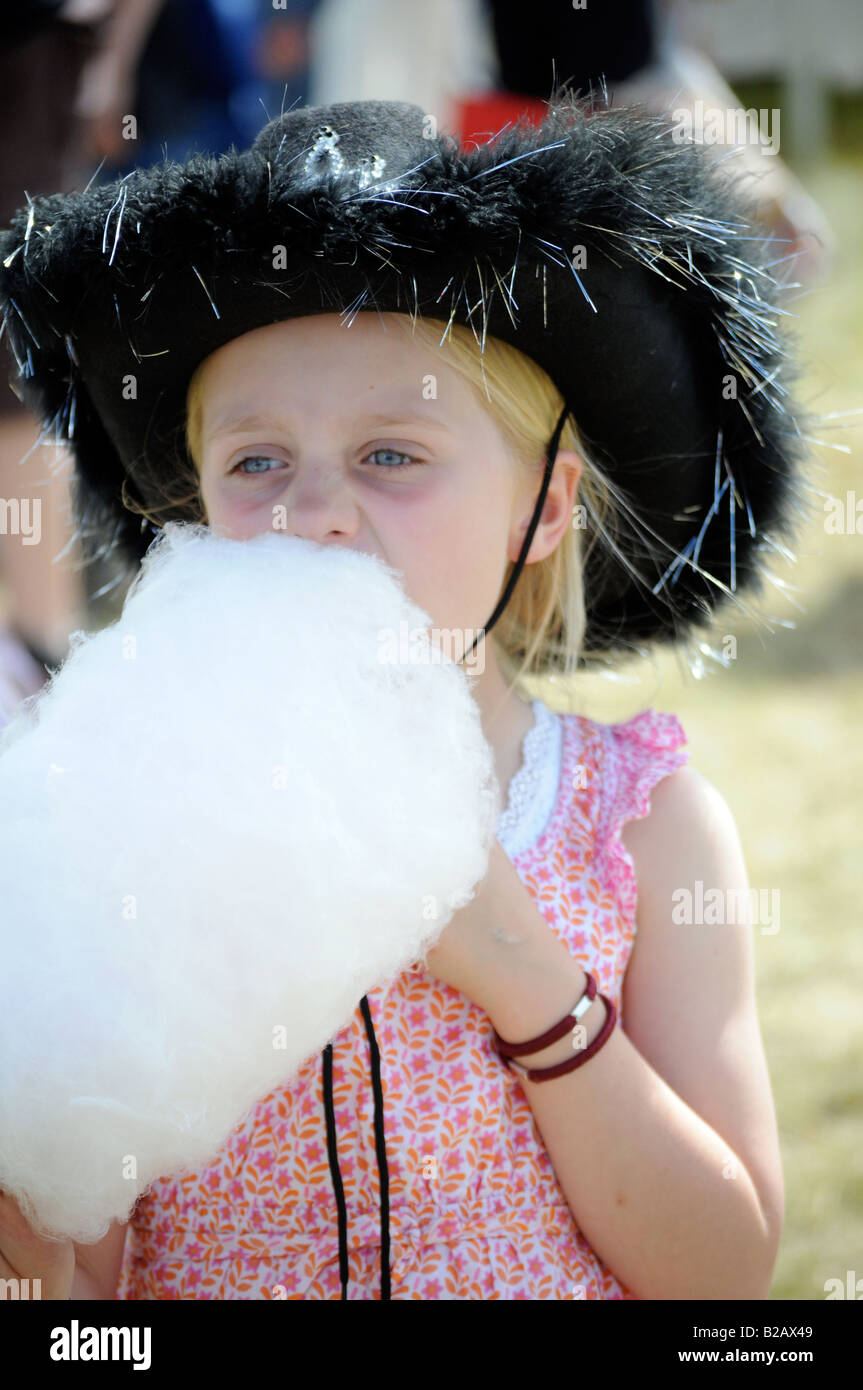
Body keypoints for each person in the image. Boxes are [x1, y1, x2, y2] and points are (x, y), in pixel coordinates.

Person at [0, 92, 809, 1299]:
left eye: (393, 454)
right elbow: (82, 1273)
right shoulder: (134, 818)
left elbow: (723, 1280)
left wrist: (523, 978)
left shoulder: (638, 825)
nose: (316, 510)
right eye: (256, 461)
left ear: (542, 506)